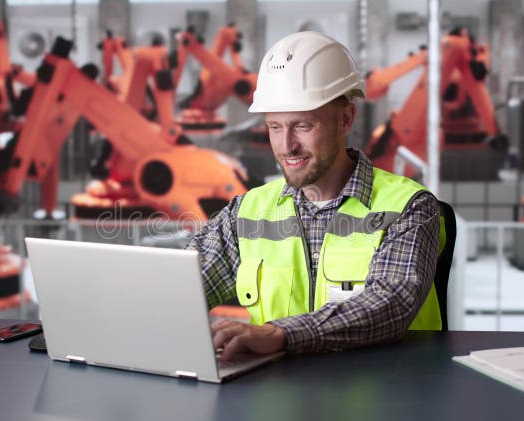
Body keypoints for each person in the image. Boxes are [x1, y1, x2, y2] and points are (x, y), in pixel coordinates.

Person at [186, 31, 442, 361]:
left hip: (383, 401)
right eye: (274, 127)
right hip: (277, 404)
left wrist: (280, 334)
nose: (286, 146)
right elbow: (184, 290)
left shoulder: (408, 207)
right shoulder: (247, 213)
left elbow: (390, 302)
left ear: (346, 118)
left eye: (302, 126)